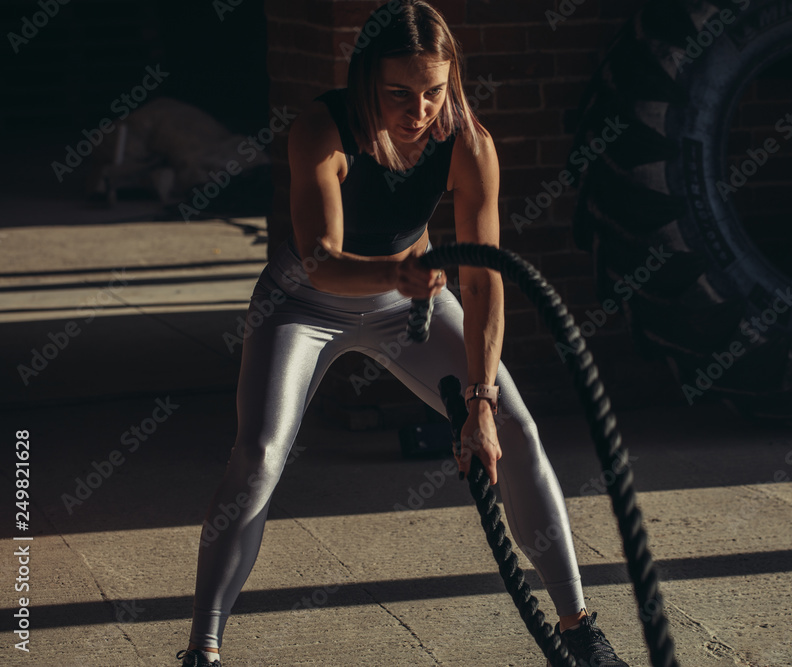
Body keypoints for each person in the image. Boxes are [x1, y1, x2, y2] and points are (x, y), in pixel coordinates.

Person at [176, 2, 630, 665]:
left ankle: (578, 628)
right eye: (398, 93)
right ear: (365, 80)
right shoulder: (321, 129)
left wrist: (477, 403)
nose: (418, 109)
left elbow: (483, 280)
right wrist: (398, 271)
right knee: (260, 453)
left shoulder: (468, 142)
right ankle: (202, 648)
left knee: (517, 427)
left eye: (433, 91)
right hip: (303, 304)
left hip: (407, 302)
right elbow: (318, 254)